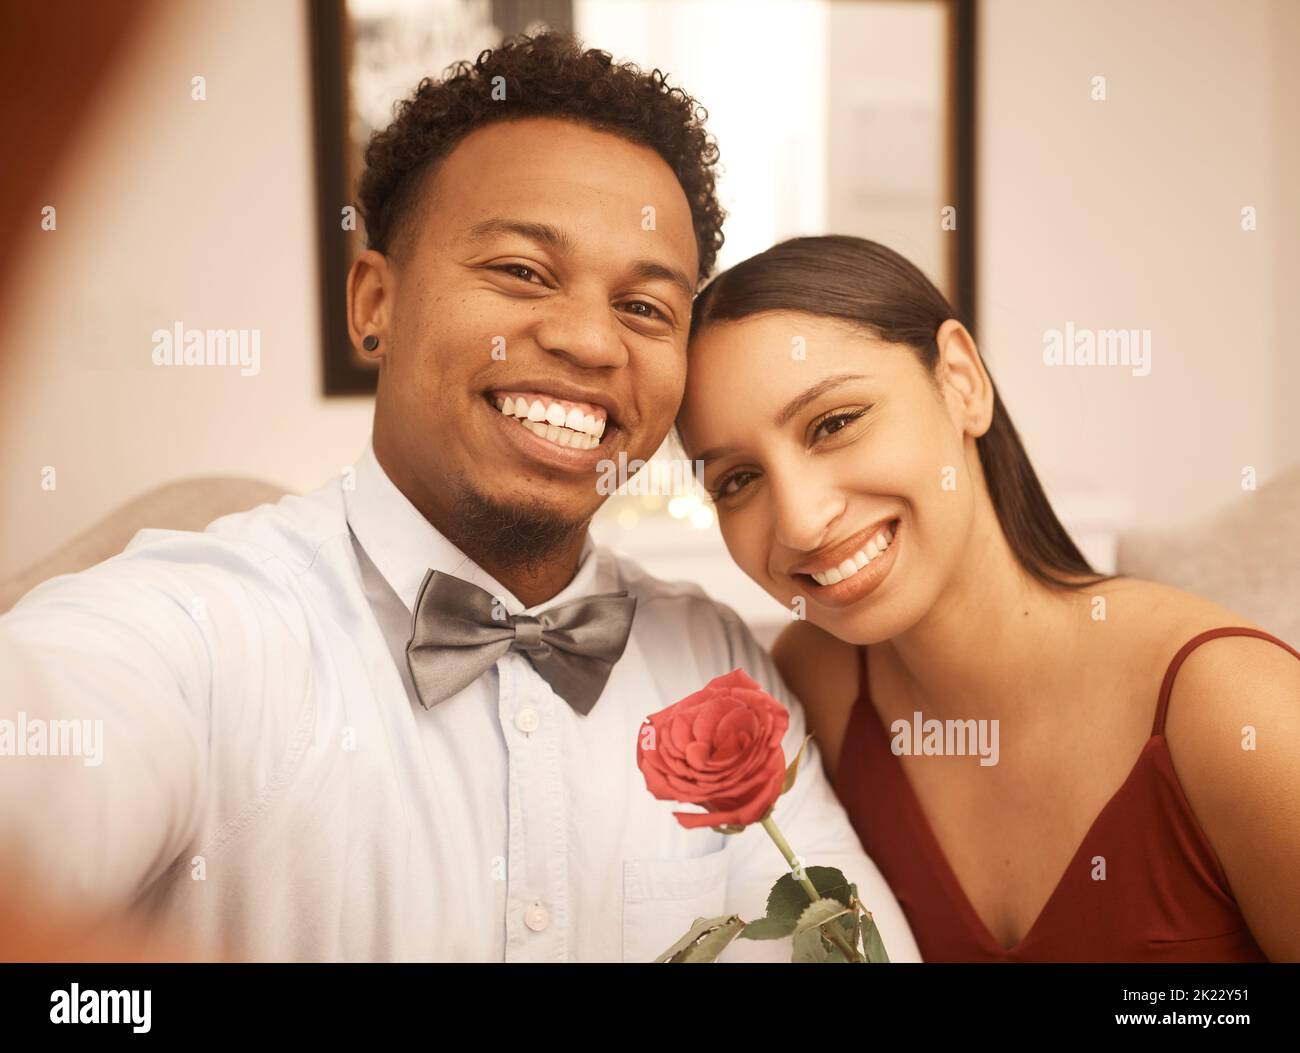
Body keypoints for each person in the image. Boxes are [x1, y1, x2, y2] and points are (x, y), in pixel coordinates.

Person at [0, 35, 918, 963]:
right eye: (522, 270)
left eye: (645, 308)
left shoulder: (718, 665)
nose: (589, 342)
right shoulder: (190, 629)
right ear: (375, 304)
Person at [675, 234, 1300, 962]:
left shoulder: (1238, 710)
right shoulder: (819, 681)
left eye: (835, 422)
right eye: (736, 480)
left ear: (962, 382)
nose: (800, 521)